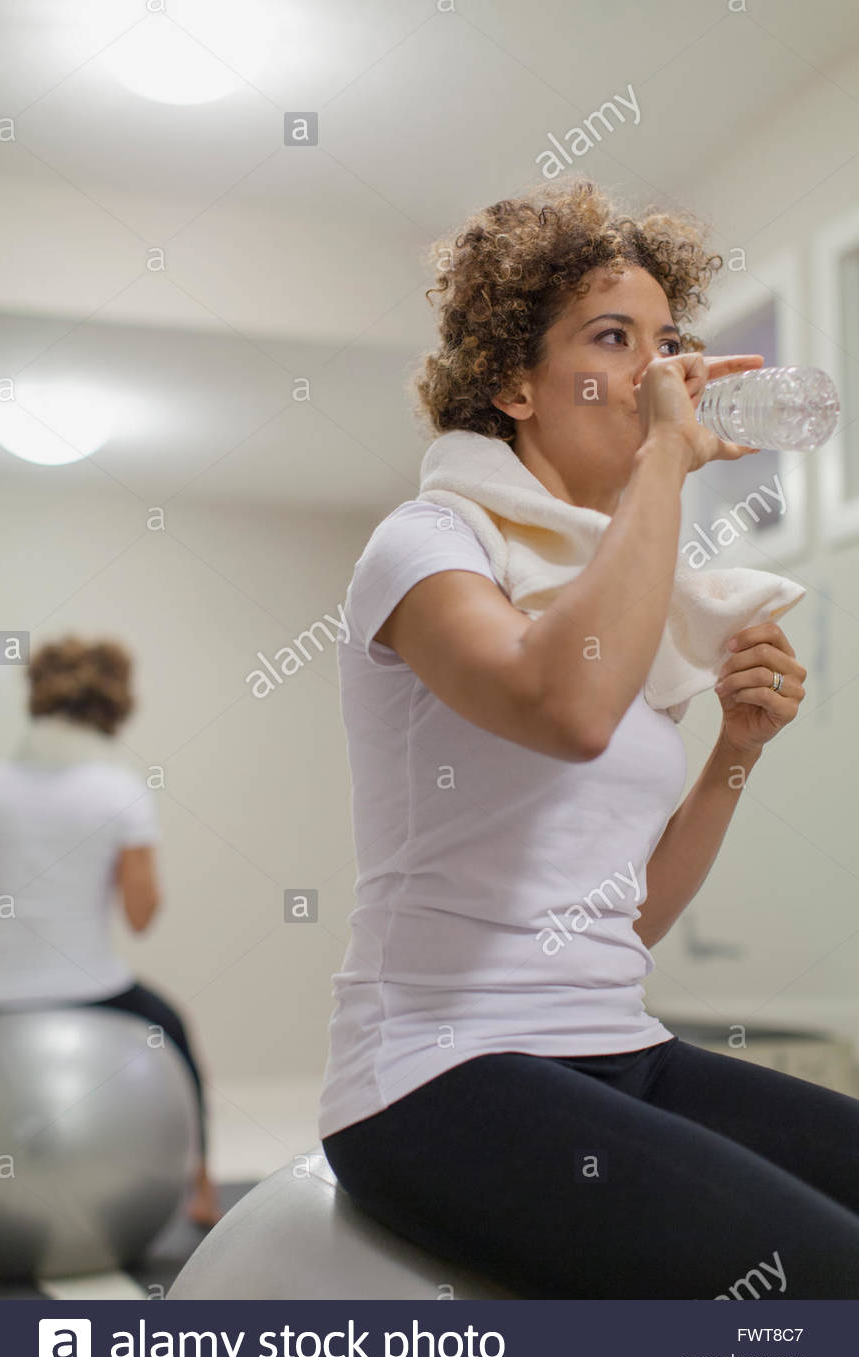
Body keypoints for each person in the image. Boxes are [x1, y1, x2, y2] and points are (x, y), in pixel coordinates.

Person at [317, 178, 859, 1299]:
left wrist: (734, 748)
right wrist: (666, 454)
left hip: (619, 1045)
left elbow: (627, 917)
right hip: (434, 1070)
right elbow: (563, 706)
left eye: (669, 343)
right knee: (815, 1277)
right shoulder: (427, 545)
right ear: (513, 381)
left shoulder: (623, 585)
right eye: (612, 339)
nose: (659, 373)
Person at [0, 635, 222, 1229]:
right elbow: (141, 918)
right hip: (92, 992)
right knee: (171, 1028)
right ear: (115, 708)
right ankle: (200, 1188)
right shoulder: (120, 791)